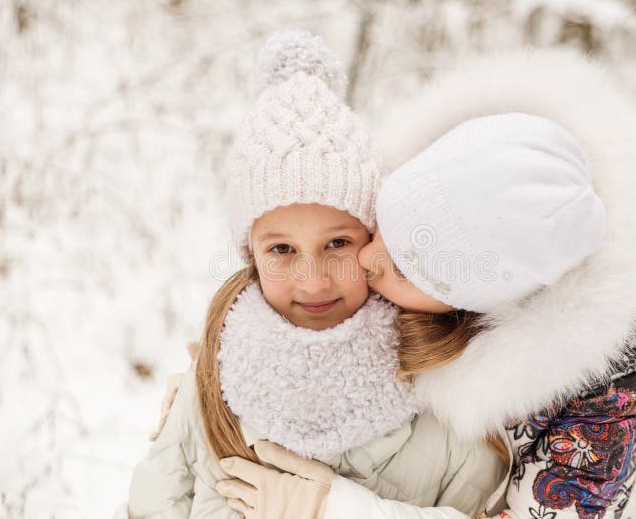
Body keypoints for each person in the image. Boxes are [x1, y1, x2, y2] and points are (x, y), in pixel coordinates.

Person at [216, 49, 636, 519]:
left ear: (483, 300)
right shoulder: (453, 206)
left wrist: (331, 510)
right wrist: (227, 368)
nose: (366, 258)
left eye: (406, 268)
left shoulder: (600, 406)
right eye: (386, 224)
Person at [115, 29, 507, 519]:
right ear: (251, 255)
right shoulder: (211, 386)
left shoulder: (449, 390)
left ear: (375, 239)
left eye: (338, 243)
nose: (314, 280)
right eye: (281, 249)